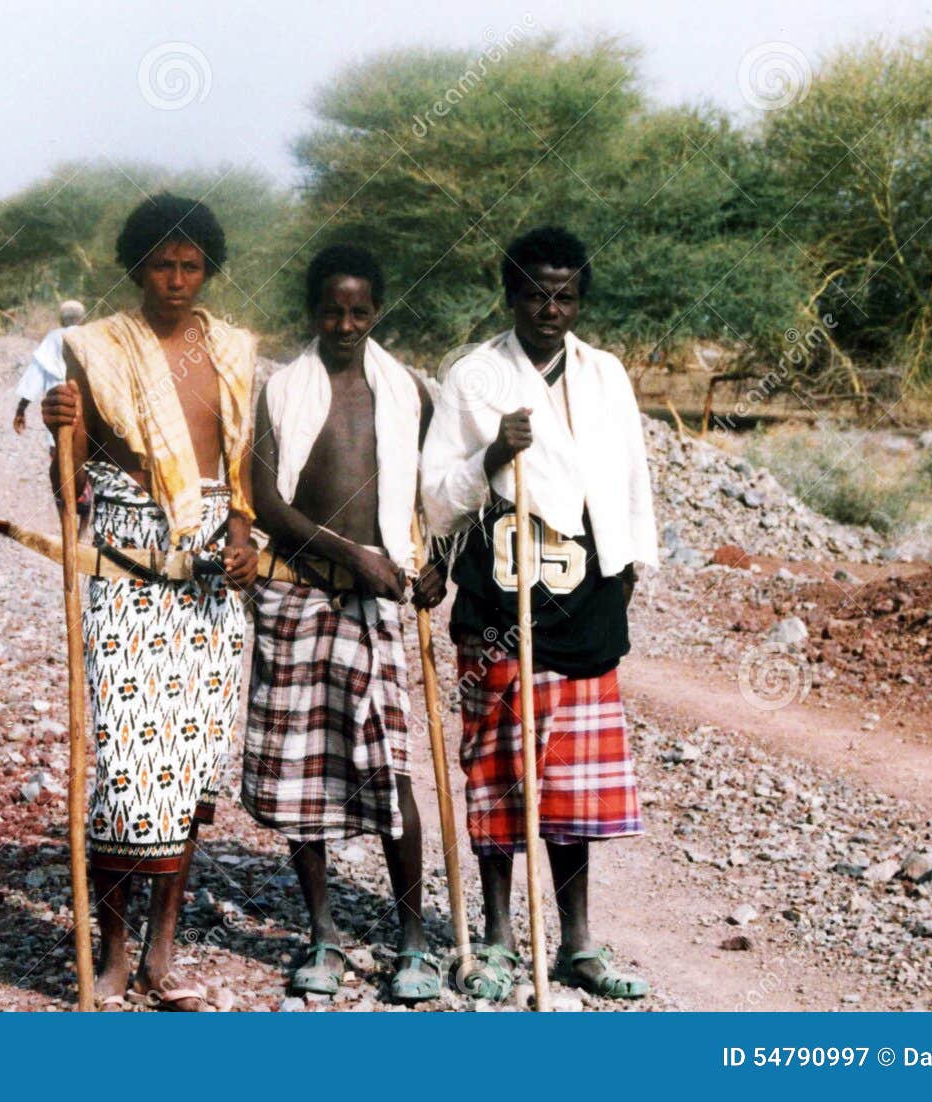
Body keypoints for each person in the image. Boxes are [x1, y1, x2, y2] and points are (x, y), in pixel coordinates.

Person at [420, 226, 658, 1003]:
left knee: (573, 782)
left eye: (566, 296)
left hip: (585, 591)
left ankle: (577, 943)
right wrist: (492, 454)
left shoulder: (606, 375)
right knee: (498, 767)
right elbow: (436, 499)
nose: (552, 309)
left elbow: (629, 479)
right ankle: (495, 936)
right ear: (511, 295)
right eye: (536, 294)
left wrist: (625, 574)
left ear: (579, 299)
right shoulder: (475, 378)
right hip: (498, 592)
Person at [42, 195, 259, 1011]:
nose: (175, 279)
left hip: (210, 585)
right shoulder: (91, 351)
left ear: (209, 269)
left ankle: (164, 952)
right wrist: (59, 431)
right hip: (128, 570)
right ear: (136, 268)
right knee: (130, 770)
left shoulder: (234, 352)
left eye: (191, 265)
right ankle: (115, 946)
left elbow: (243, 477)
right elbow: (70, 499)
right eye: (162, 265)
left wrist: (243, 539)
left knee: (188, 768)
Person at [243, 245, 447, 1002]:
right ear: (312, 311)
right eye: (332, 309)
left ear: (377, 312)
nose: (345, 323)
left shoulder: (408, 393)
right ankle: (323, 935)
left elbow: (437, 494)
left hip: (378, 602)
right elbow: (265, 502)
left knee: (390, 769)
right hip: (298, 594)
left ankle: (413, 939)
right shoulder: (284, 389)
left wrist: (437, 567)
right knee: (303, 772)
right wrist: (348, 554)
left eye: (360, 310)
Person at [14, 299, 87, 519]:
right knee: (87, 460)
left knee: (59, 458)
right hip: (85, 414)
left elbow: (34, 378)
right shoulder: (90, 337)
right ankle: (83, 509)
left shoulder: (52, 339)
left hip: (57, 411)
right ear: (82, 318)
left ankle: (65, 506)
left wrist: (21, 409)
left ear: (60, 319)